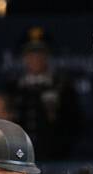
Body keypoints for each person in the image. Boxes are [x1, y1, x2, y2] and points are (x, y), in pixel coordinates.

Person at [10, 28, 81, 161]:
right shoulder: (13, 88)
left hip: (55, 158)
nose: (35, 59)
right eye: (31, 54)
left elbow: (76, 124)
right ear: (24, 57)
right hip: (20, 158)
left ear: (47, 56)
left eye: (40, 54)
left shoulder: (63, 87)